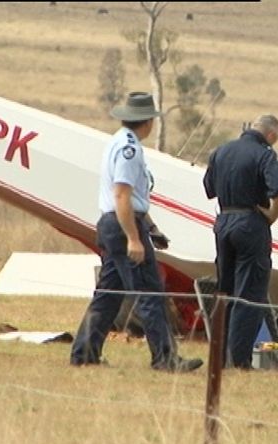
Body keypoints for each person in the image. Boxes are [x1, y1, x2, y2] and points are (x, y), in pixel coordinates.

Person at [70, 92, 203, 373]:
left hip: (115, 223)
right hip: (123, 225)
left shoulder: (118, 142)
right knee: (149, 292)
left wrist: (150, 228)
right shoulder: (130, 150)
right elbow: (122, 195)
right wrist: (133, 237)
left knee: (108, 295)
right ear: (148, 123)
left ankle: (84, 354)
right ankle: (165, 359)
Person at [202, 115, 278, 369]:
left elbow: (209, 188)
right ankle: (239, 360)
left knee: (225, 292)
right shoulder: (265, 154)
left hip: (223, 222)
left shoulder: (221, 151)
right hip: (250, 223)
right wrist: (272, 216)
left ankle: (218, 358)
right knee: (249, 294)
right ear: (271, 135)